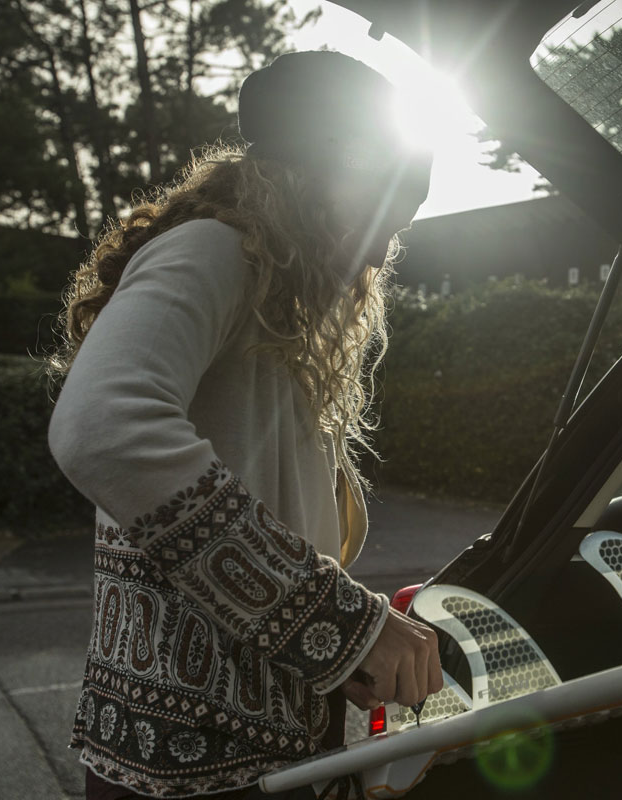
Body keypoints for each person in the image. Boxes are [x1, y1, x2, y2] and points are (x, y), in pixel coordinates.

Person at [47, 51, 442, 799]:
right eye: (369, 214)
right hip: (194, 768)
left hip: (245, 751)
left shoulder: (274, 289)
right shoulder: (214, 249)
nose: (375, 252)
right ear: (299, 177)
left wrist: (353, 642)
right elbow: (100, 424)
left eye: (394, 230)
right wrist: (335, 622)